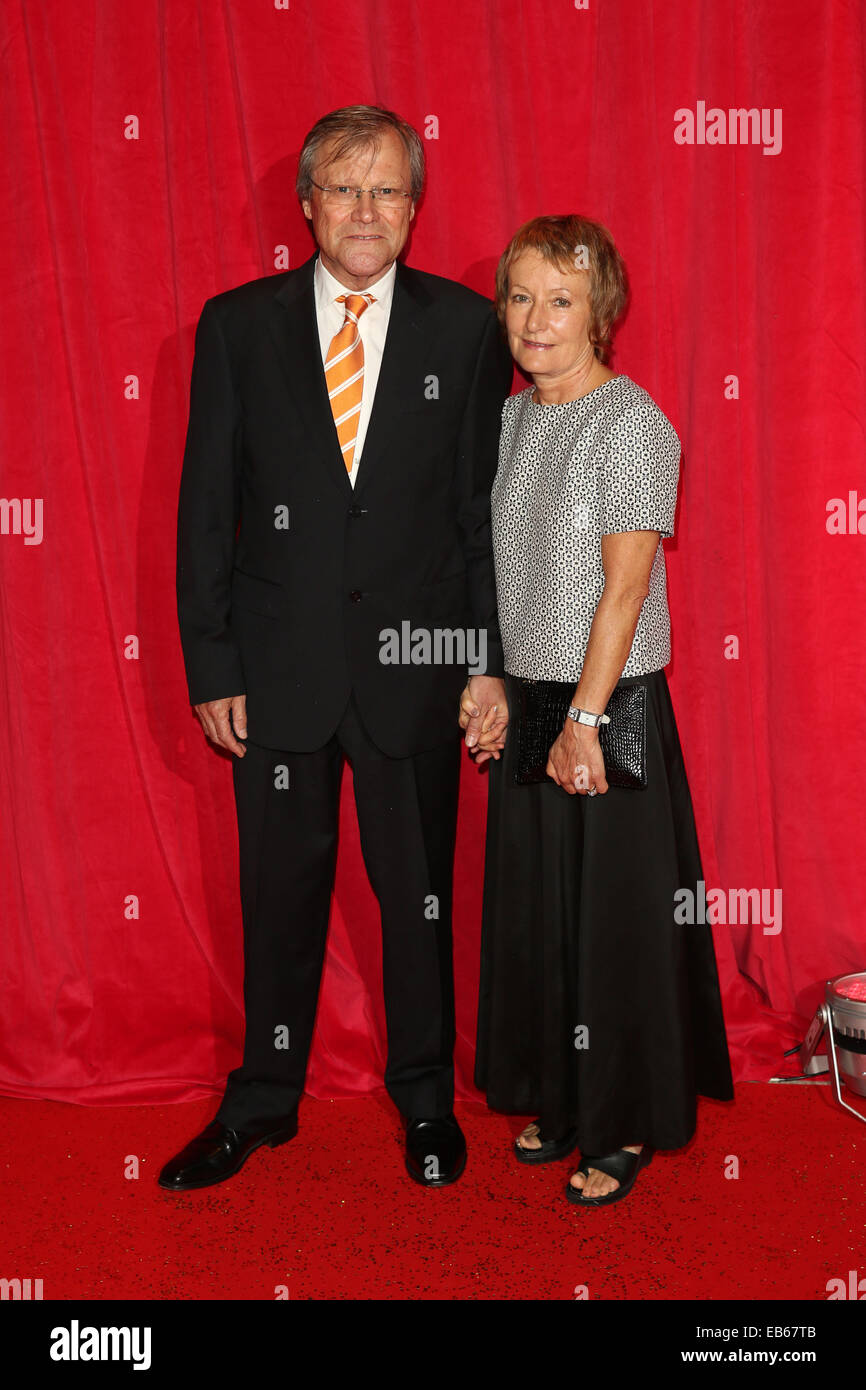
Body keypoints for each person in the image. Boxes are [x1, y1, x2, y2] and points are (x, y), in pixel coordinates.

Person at [161, 105, 513, 1193]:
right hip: (277, 674)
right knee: (279, 895)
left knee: (416, 901)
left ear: (414, 208)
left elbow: (478, 516)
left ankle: (423, 1100)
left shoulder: (464, 332)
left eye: (389, 191)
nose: (366, 211)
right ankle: (263, 1100)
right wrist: (212, 663)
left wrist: (484, 660)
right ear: (306, 203)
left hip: (418, 668)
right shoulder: (235, 327)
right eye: (345, 189)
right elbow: (204, 506)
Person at [461, 215, 734, 1207]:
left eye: (560, 300)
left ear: (600, 313)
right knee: (541, 915)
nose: (536, 321)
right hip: (531, 697)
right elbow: (493, 568)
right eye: (520, 297)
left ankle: (620, 1122)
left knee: (613, 924)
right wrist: (486, 678)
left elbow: (621, 589)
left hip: (603, 708)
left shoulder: (631, 424)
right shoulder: (508, 418)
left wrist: (582, 722)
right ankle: (564, 1093)